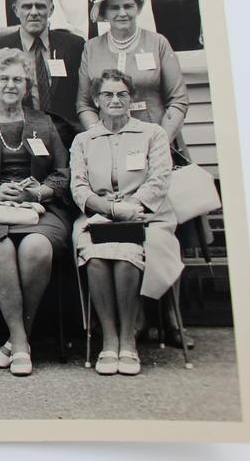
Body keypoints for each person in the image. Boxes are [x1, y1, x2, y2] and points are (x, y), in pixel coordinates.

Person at [0, 49, 72, 377]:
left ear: (27, 86)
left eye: (17, 79)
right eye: (4, 78)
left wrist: (41, 190)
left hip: (39, 209)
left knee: (37, 247)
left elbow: (63, 174)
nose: (10, 85)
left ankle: (15, 340)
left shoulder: (43, 123)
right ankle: (21, 341)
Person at [70, 69, 182, 376]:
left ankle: (129, 340)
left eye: (122, 94)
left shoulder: (152, 134)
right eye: (108, 94)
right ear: (96, 100)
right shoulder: (84, 140)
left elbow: (160, 179)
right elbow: (78, 187)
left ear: (131, 98)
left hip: (146, 216)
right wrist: (108, 208)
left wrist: (133, 205)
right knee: (93, 257)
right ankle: (109, 338)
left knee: (126, 257)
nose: (115, 100)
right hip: (99, 214)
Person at [76, 0, 188, 148]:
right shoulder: (91, 48)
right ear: (105, 13)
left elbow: (178, 99)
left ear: (137, 9)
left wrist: (162, 141)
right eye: (115, 8)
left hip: (157, 136)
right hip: (108, 143)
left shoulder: (157, 43)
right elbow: (84, 103)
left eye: (128, 6)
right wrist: (99, 136)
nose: (122, 13)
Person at [0, 0, 85, 149]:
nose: (34, 12)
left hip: (68, 137)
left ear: (51, 10)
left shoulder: (74, 45)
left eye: (41, 6)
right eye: (27, 6)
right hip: (18, 138)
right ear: (16, 10)